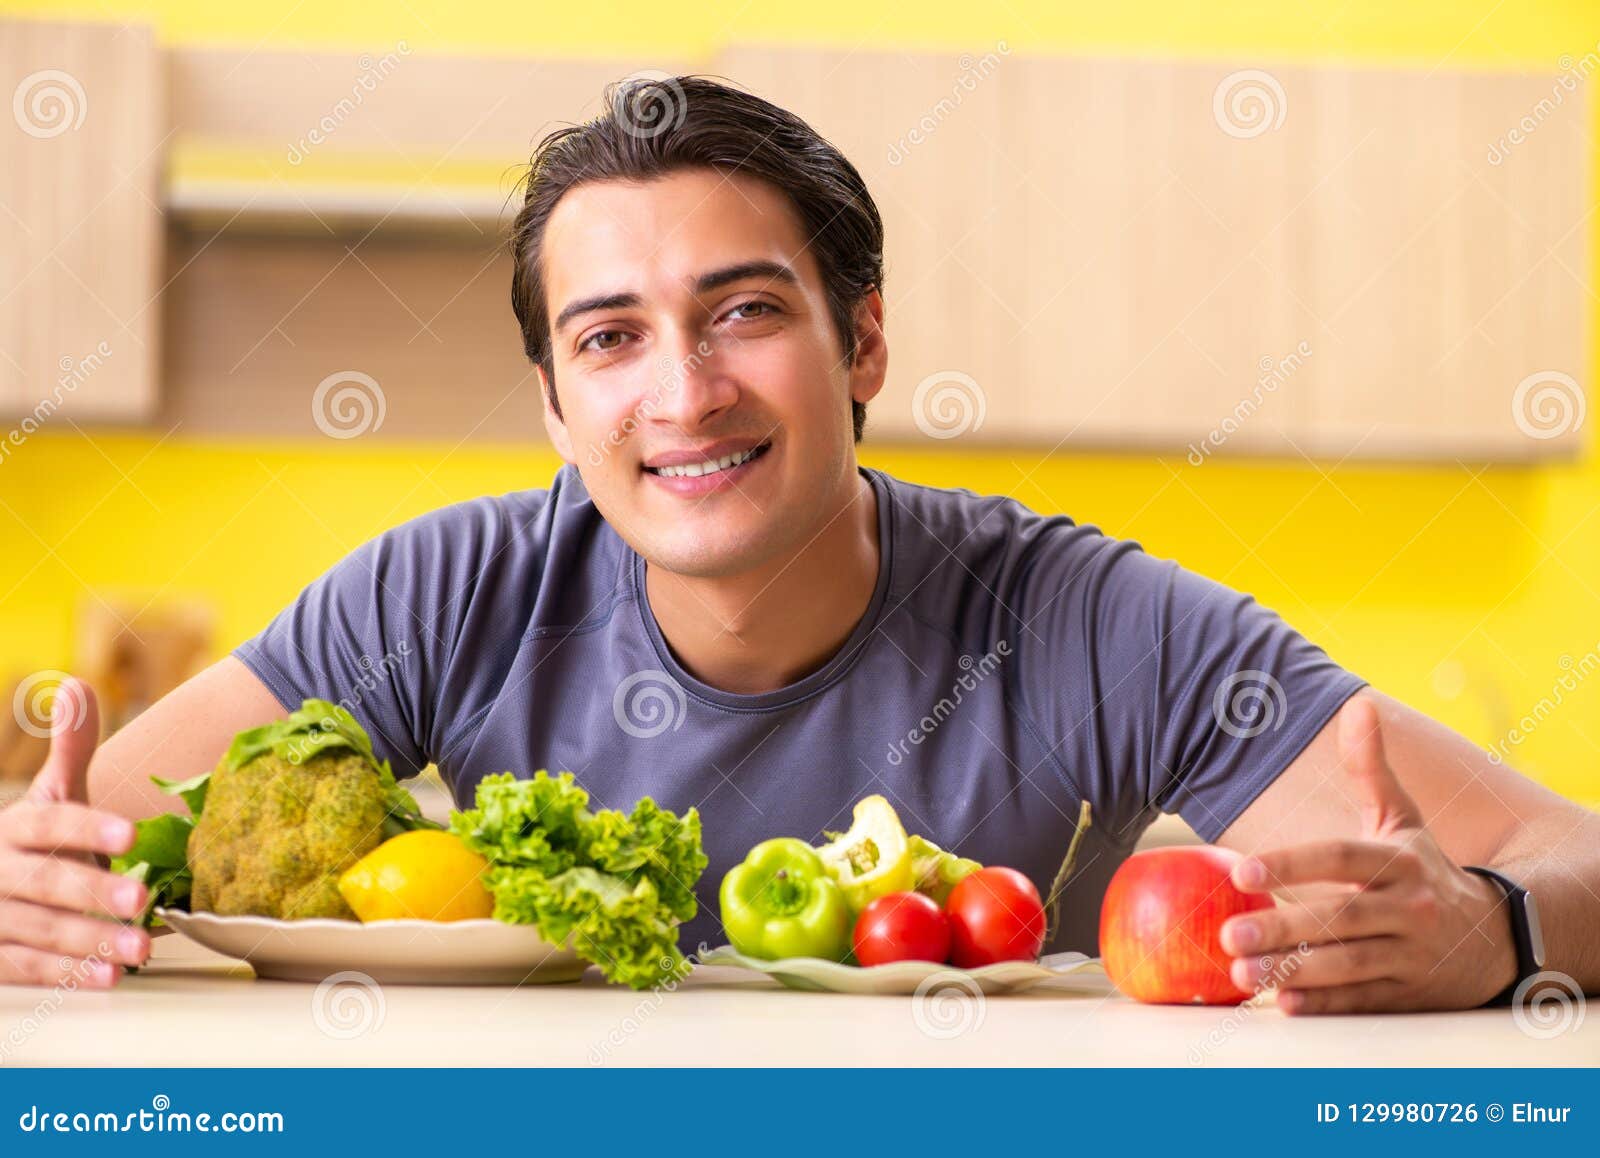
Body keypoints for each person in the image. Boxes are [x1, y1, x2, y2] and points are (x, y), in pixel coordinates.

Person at [3, 76, 1595, 1012]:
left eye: (745, 311)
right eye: (612, 338)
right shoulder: (442, 596)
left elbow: (1575, 853)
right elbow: (82, 846)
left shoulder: (1077, 616)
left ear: (865, 344)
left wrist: (1500, 925)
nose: (685, 393)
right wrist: (24, 883)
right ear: (556, 408)